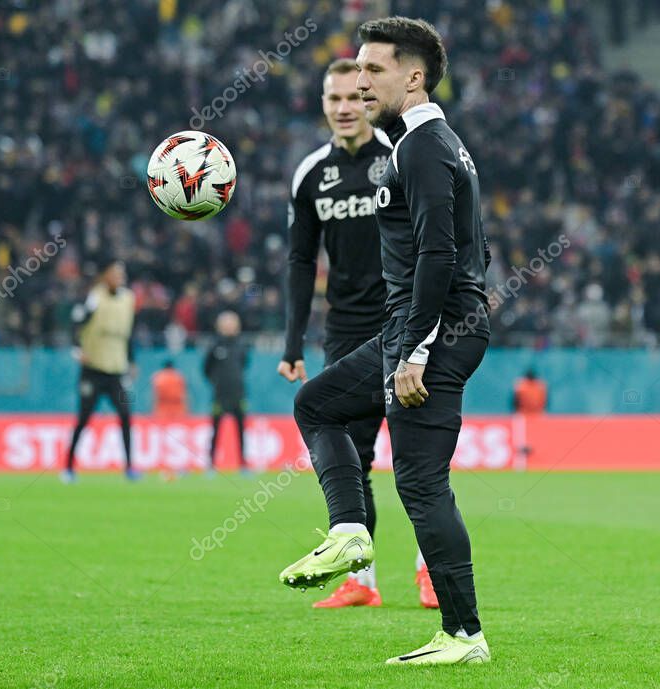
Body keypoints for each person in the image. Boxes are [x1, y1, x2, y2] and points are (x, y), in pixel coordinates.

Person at [278, 17, 492, 665]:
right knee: (317, 404)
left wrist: (417, 349)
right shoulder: (435, 143)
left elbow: (438, 252)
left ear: (414, 76)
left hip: (430, 331)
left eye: (374, 69)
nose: (362, 81)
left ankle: (463, 634)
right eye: (357, 69)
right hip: (418, 327)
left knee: (421, 484)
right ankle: (350, 530)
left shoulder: (421, 147)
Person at [277, 57, 436, 610]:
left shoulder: (400, 155)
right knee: (355, 456)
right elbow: (301, 261)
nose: (344, 108)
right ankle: (361, 580)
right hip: (345, 331)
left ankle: (430, 571)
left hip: (403, 325)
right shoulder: (310, 174)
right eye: (334, 98)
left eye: (354, 97)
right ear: (323, 104)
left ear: (368, 100)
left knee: (418, 455)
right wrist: (293, 342)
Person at [62, 259, 137, 482]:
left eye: (121, 274)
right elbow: (76, 322)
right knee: (84, 418)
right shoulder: (95, 298)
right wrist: (77, 348)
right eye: (115, 273)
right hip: (93, 369)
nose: (119, 278)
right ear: (106, 276)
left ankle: (129, 467)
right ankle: (68, 467)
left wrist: (131, 361)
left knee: (126, 414)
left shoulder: (128, 299)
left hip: (117, 371)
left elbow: (128, 334)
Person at [203, 311, 250, 475]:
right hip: (219, 395)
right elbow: (206, 369)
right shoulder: (214, 345)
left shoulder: (241, 345)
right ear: (219, 326)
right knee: (215, 429)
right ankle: (210, 464)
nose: (230, 327)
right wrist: (217, 383)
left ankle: (243, 464)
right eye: (226, 323)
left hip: (238, 394)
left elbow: (244, 364)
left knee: (241, 429)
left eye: (232, 323)